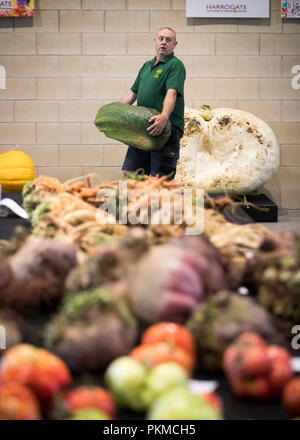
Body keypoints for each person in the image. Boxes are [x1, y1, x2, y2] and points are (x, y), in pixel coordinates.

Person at [119, 27, 186, 179]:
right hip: (143, 129)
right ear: (155, 41)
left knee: (160, 179)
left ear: (174, 44)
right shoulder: (146, 66)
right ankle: (142, 203)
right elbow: (132, 93)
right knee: (130, 173)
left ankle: (158, 203)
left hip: (165, 130)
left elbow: (172, 93)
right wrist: (112, 111)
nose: (164, 42)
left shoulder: (175, 65)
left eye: (168, 40)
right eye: (161, 38)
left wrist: (164, 116)